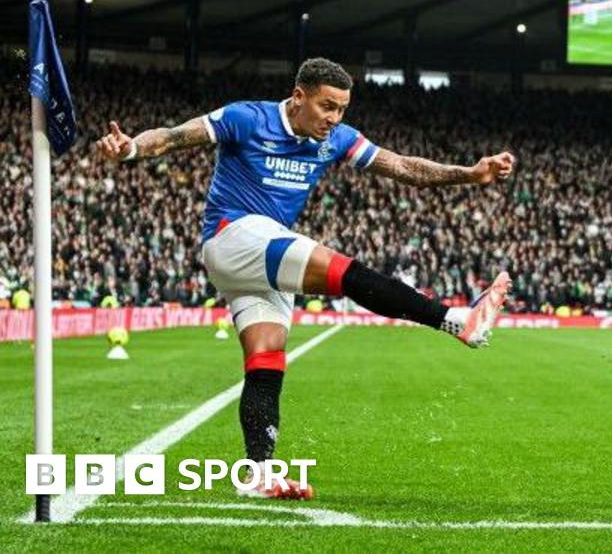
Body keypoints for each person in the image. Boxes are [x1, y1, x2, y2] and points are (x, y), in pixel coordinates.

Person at [95, 58, 514, 500]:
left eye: (342, 109)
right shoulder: (247, 118)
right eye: (326, 106)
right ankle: (455, 320)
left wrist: (470, 175)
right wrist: (130, 149)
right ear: (298, 97)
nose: (334, 118)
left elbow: (404, 168)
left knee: (266, 360)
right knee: (344, 270)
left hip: (261, 259)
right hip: (232, 235)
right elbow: (173, 136)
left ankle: (259, 473)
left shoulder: (337, 139)